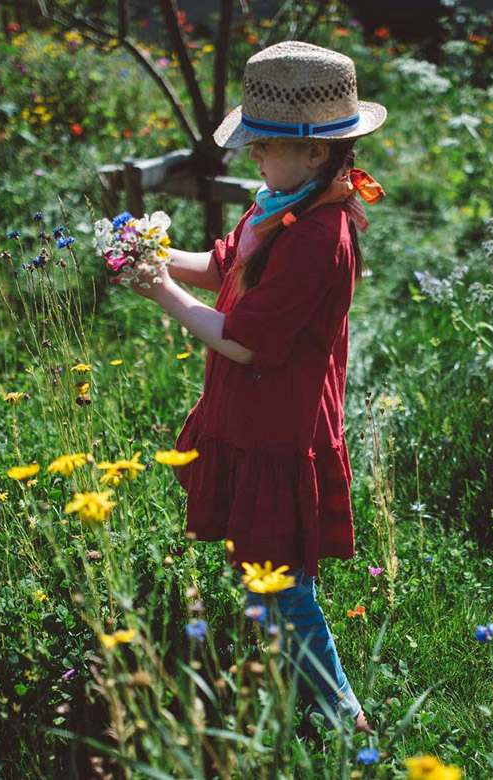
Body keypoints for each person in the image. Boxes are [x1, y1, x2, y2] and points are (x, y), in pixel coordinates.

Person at [122, 40, 386, 734]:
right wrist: (159, 256)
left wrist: (164, 295)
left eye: (264, 146)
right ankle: (301, 682)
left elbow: (243, 340)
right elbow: (225, 265)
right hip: (250, 413)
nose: (253, 158)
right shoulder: (280, 205)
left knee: (281, 584)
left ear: (317, 152)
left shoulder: (319, 235)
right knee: (264, 571)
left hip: (280, 423)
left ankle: (343, 715)